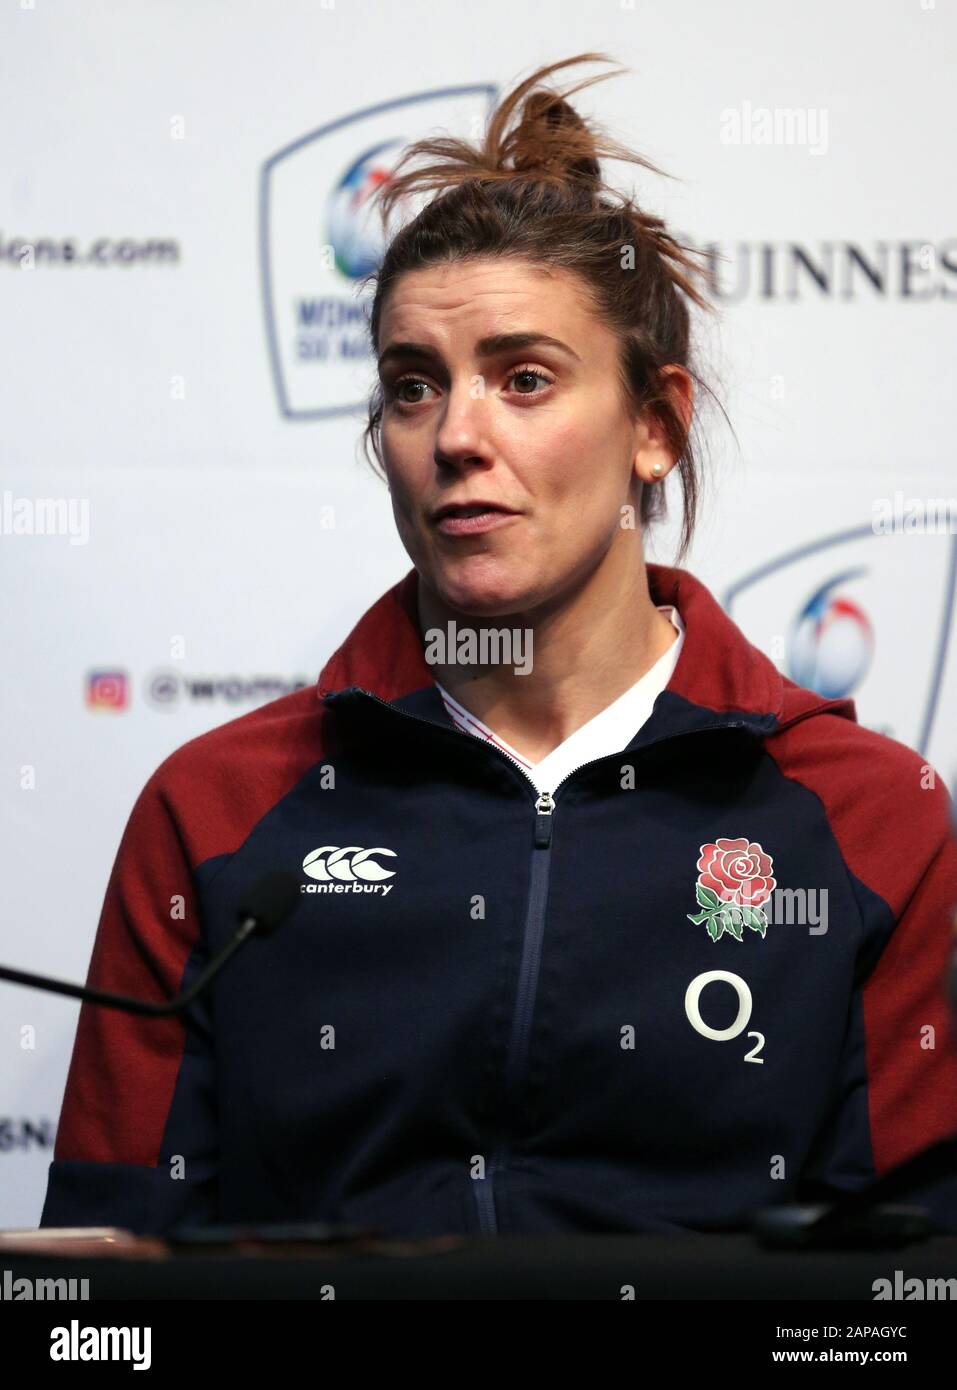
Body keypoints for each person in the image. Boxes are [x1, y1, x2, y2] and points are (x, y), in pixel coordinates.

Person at [41, 52, 957, 1238]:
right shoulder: (216, 812)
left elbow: (912, 1286)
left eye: (524, 378)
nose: (457, 435)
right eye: (413, 386)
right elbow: (107, 1289)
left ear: (656, 426)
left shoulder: (871, 818)